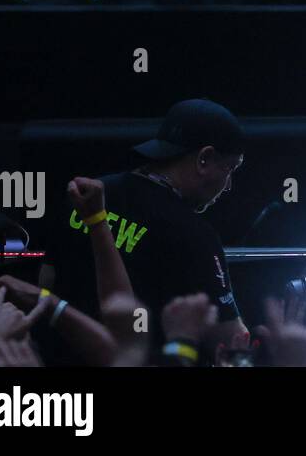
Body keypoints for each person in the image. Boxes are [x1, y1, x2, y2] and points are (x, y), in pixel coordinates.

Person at [36, 99, 251, 360]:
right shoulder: (195, 235)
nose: (228, 186)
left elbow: (46, 283)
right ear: (203, 160)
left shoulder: (83, 196)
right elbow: (232, 340)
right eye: (229, 168)